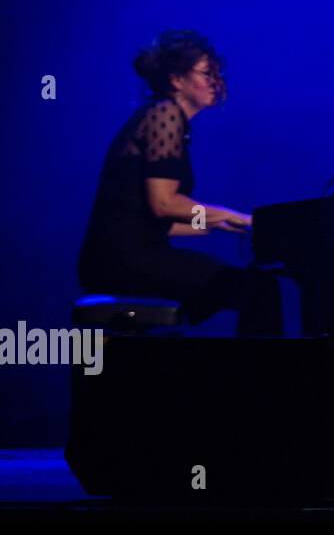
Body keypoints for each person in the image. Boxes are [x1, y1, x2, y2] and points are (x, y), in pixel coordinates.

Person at [77, 30, 286, 335]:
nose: (216, 81)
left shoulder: (167, 118)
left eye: (217, 73)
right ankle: (255, 379)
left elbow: (155, 220)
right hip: (122, 257)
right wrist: (232, 215)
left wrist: (213, 225)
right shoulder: (166, 114)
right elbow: (164, 205)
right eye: (206, 73)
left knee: (244, 286)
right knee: (257, 289)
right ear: (177, 80)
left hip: (122, 252)